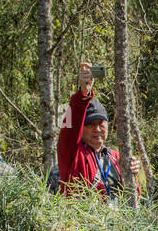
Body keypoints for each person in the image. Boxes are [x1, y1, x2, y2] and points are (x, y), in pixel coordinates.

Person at [57, 62, 142, 203]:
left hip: (117, 223)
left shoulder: (116, 157)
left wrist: (132, 175)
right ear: (81, 128)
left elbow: (134, 197)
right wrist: (84, 94)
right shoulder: (72, 154)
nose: (97, 129)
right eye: (90, 125)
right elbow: (69, 128)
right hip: (84, 223)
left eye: (101, 123)